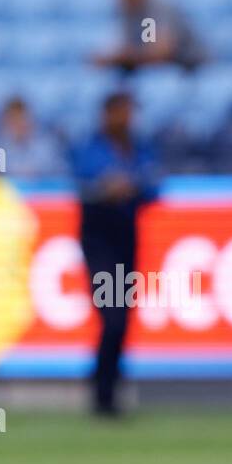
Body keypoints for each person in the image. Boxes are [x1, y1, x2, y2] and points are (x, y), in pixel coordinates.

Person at [72, 92, 159, 418]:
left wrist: (131, 187)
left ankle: (108, 391)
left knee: (122, 316)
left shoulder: (139, 147)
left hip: (125, 234)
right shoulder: (91, 145)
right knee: (112, 316)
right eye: (123, 112)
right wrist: (106, 188)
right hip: (98, 235)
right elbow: (83, 181)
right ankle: (102, 389)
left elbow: (154, 184)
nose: (128, 119)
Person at [94, 0, 206, 73]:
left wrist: (120, 57)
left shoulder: (157, 7)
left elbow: (160, 53)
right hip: (158, 69)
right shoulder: (126, 9)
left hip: (190, 66)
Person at [0, 97, 67, 178]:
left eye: (21, 118)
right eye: (13, 120)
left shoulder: (47, 144)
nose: (18, 124)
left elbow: (61, 174)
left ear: (29, 119)